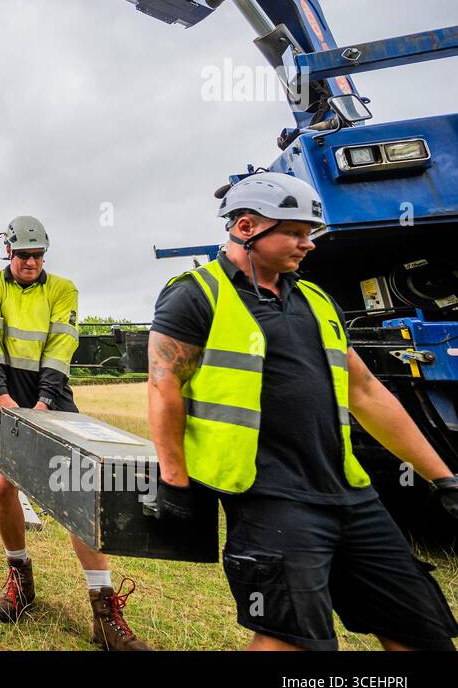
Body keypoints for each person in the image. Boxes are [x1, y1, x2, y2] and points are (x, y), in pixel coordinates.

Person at [148, 172, 458, 651]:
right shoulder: (195, 294)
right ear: (247, 227)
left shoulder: (316, 300)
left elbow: (367, 392)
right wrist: (174, 479)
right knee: (293, 641)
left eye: (309, 232)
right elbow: (164, 384)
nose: (308, 244)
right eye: (295, 232)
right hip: (268, 497)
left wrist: (442, 476)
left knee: (424, 633)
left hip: (349, 493)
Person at [0, 214, 150, 650]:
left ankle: (103, 609)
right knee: (1, 485)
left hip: (47, 389)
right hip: (1, 388)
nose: (30, 262)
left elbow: (61, 345)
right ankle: (20, 577)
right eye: (22, 255)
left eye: (37, 255)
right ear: (7, 251)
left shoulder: (63, 289)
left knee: (77, 489)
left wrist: (46, 402)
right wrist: (3, 398)